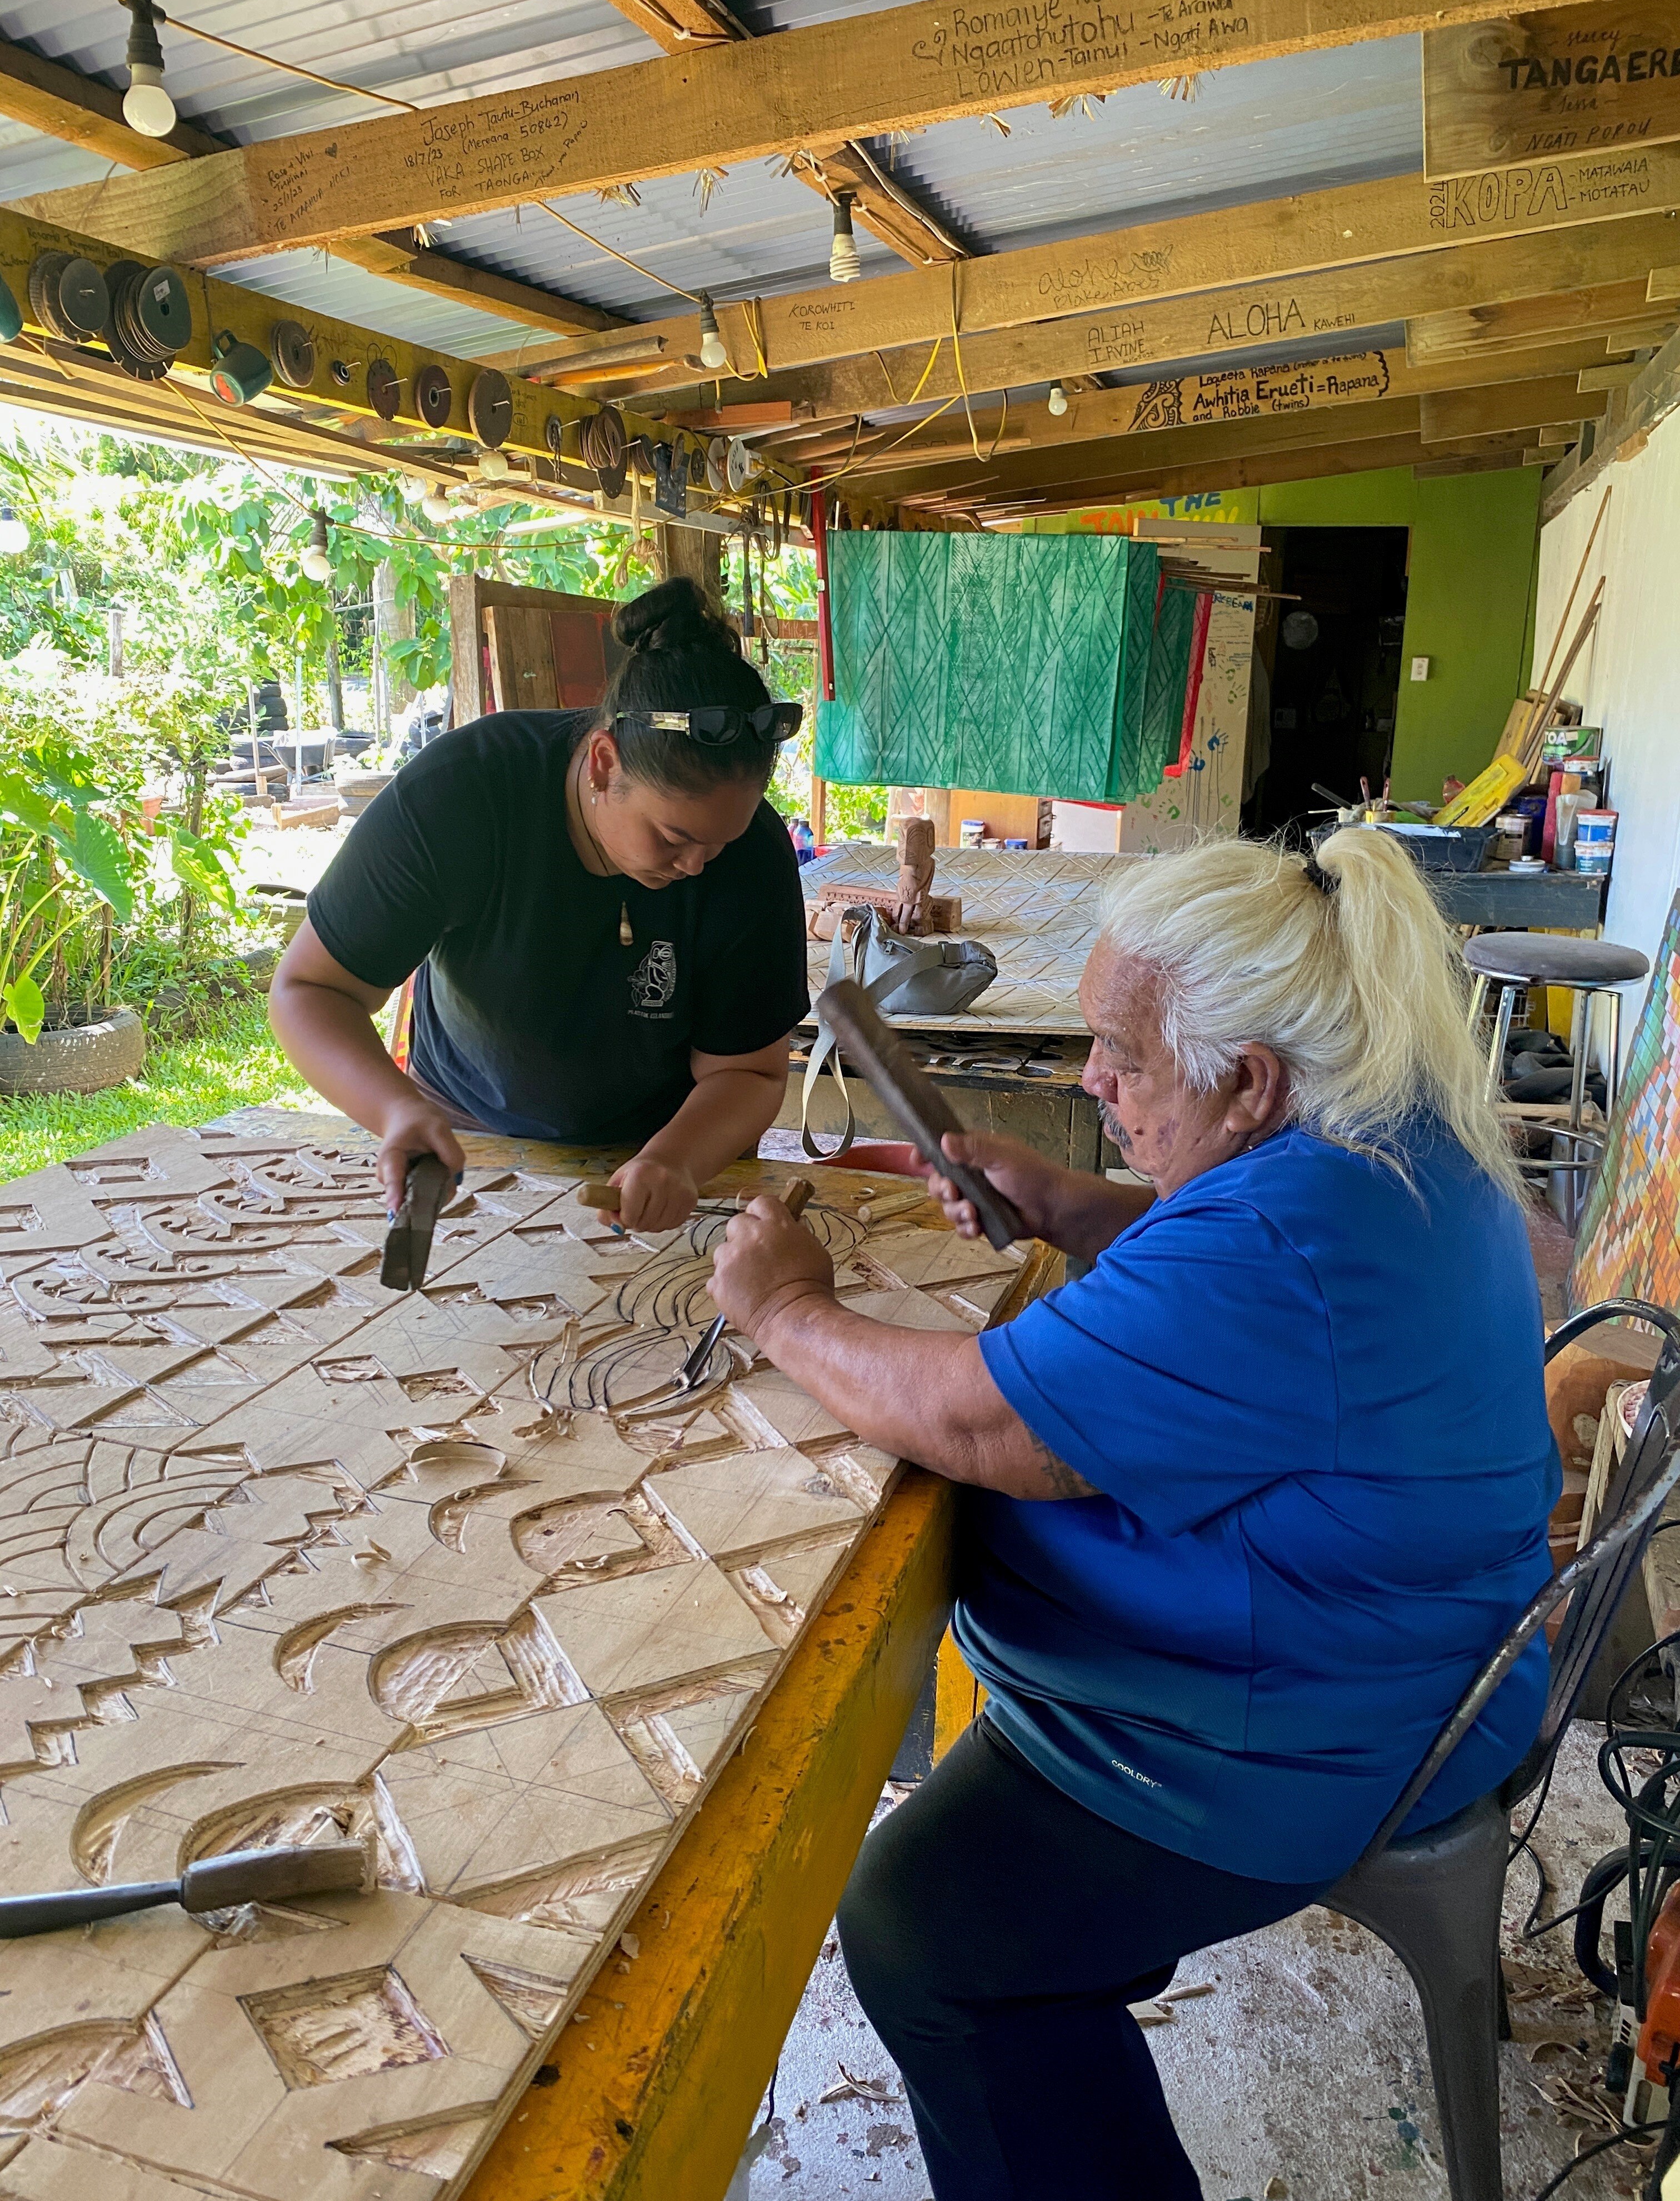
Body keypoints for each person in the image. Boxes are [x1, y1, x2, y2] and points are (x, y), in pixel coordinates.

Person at [706, 828, 1557, 2199]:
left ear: (1253, 1081)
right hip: (1428, 1648)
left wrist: (787, 1309)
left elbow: (989, 1425)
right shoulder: (1386, 1126)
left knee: (926, 1930)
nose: (1092, 1079)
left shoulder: (1283, 1242)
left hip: (1329, 1724)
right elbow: (1257, 1286)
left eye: (1124, 1054)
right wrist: (1086, 1209)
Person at [270, 578, 809, 1229]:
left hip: (670, 1150)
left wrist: (675, 1162)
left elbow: (748, 1073)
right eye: (675, 837)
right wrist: (397, 1112)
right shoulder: (463, 796)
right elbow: (310, 990)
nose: (697, 866)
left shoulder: (750, 855)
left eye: (719, 842)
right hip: (465, 1131)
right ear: (604, 763)